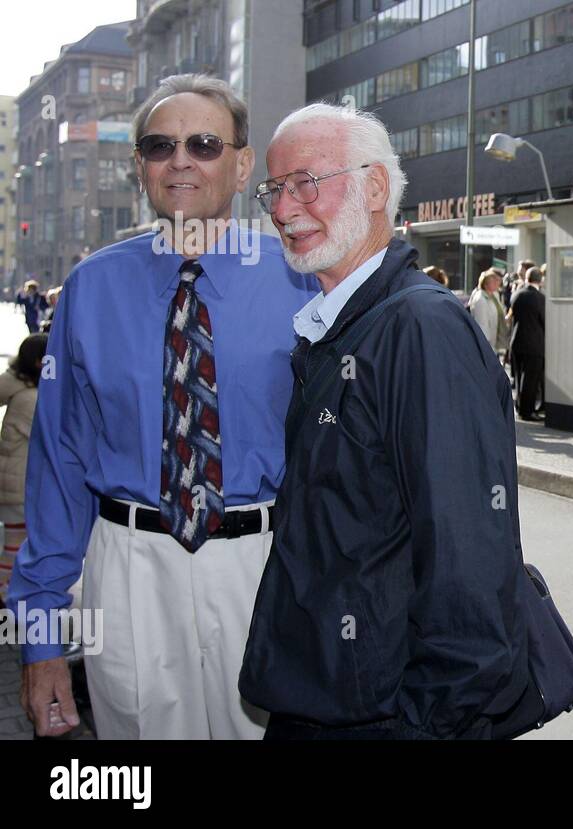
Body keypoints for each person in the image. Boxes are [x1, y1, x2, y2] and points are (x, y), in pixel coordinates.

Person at [8, 74, 319, 740]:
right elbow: (58, 472)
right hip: (127, 573)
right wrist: (40, 644)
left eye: (204, 143)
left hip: (263, 570)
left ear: (241, 166)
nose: (180, 159)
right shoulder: (91, 287)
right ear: (140, 167)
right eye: (159, 145)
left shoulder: (302, 280)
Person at [238, 103, 537, 740]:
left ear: (376, 187)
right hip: (328, 694)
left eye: (306, 182)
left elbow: (470, 572)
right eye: (274, 190)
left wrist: (426, 727)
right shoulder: (344, 326)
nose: (285, 210)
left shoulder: (420, 329)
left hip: (380, 716)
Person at [0, 334, 48, 603]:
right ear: (41, 363)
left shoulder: (19, 388)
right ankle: (8, 598)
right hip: (19, 487)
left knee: (15, 543)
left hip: (10, 484)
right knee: (17, 546)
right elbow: (49, 440)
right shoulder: (31, 398)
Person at [508, 266, 546, 421]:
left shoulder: (517, 294)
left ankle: (519, 407)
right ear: (541, 279)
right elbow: (544, 320)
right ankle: (527, 411)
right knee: (530, 379)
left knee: (518, 378)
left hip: (517, 342)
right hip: (534, 344)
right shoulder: (539, 298)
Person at [469, 268, 508, 360]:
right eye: (493, 281)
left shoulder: (495, 295)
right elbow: (482, 324)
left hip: (496, 340)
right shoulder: (480, 299)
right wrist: (486, 346)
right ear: (485, 284)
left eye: (497, 281)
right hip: (487, 343)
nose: (497, 283)